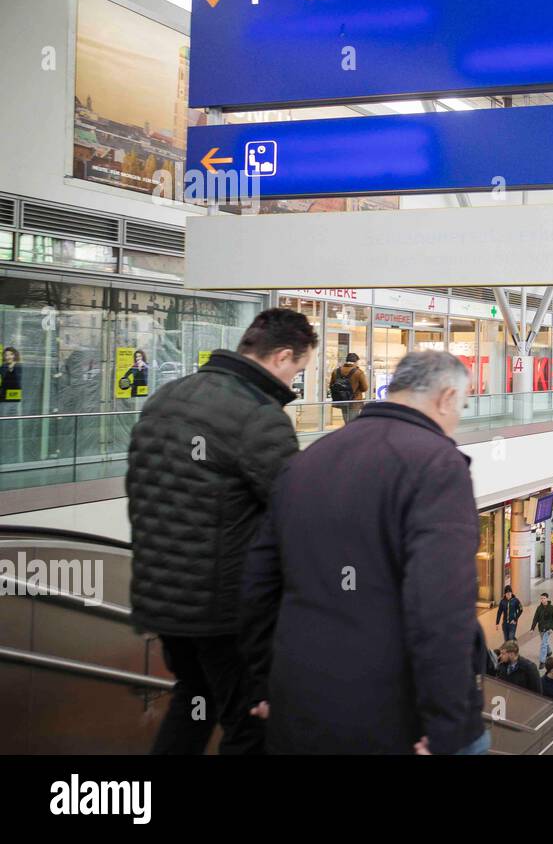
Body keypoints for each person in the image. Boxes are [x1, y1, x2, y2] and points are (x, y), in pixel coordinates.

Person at [240, 350, 488, 755]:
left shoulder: (309, 459)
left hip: (298, 702)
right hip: (389, 717)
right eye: (460, 406)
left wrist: (262, 685)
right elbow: (440, 607)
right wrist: (449, 722)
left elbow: (257, 584)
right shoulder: (437, 466)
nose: (457, 419)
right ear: (445, 398)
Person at [127, 308, 318, 755]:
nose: (294, 383)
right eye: (298, 370)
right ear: (282, 356)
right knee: (253, 724)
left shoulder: (166, 397)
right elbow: (296, 512)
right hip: (225, 612)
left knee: (194, 704)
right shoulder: (258, 416)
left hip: (164, 601)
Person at [329, 352, 369, 424]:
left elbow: (331, 386)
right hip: (354, 401)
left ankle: (347, 433)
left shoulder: (336, 371)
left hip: (342, 400)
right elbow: (365, 388)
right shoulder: (359, 372)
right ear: (356, 362)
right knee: (354, 423)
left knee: (346, 421)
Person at [530, 592, 553, 665]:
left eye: (544, 598)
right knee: (545, 643)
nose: (542, 600)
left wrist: (552, 628)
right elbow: (535, 619)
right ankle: (549, 651)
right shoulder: (539, 608)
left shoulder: (551, 608)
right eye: (541, 598)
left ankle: (542, 661)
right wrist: (532, 628)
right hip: (541, 629)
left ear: (547, 599)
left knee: (543, 644)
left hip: (548, 629)